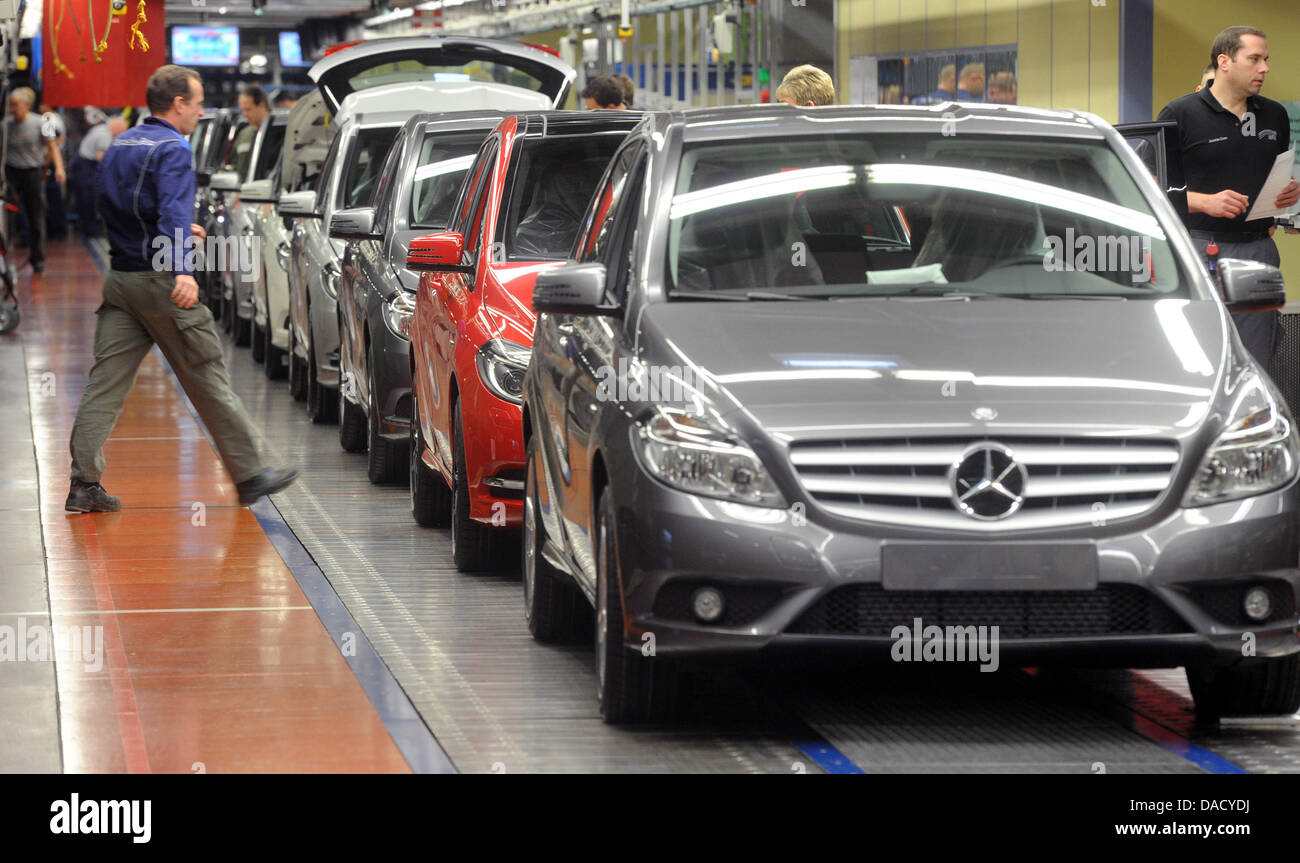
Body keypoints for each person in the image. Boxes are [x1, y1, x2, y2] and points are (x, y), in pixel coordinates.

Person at [65, 65, 296, 513]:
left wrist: (165, 232)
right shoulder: (174, 147)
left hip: (121, 281)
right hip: (162, 283)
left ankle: (83, 484)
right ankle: (249, 474)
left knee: (104, 385)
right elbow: (171, 207)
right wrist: (183, 270)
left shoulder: (121, 142)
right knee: (206, 375)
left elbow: (116, 207)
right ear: (178, 105)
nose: (201, 110)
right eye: (197, 102)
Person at [1157, 25, 1300, 368]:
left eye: (1266, 60)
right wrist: (1204, 201)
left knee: (1255, 358)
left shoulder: (1274, 115)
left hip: (1259, 250)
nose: (1264, 68)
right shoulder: (1180, 114)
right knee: (1198, 355)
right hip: (1199, 248)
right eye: (1254, 59)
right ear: (1225, 61)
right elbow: (1148, 184)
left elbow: (1276, 175)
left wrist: (1290, 194)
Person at [2, 88, 65, 273]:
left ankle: (38, 259)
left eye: (15, 105)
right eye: (10, 105)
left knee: (36, 215)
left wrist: (59, 169)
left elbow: (52, 146)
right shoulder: (5, 125)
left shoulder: (42, 122)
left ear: (27, 105)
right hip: (11, 172)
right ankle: (5, 258)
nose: (12, 109)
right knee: (7, 217)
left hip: (33, 173)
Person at [71, 113, 127, 237]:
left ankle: (85, 226)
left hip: (81, 162)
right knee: (88, 199)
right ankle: (90, 230)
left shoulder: (101, 128)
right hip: (85, 166)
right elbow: (101, 158)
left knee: (84, 198)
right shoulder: (105, 136)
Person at [228, 84, 270, 176]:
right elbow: (234, 167)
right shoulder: (243, 135)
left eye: (248, 109)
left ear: (262, 105)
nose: (245, 114)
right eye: (243, 110)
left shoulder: (280, 134)